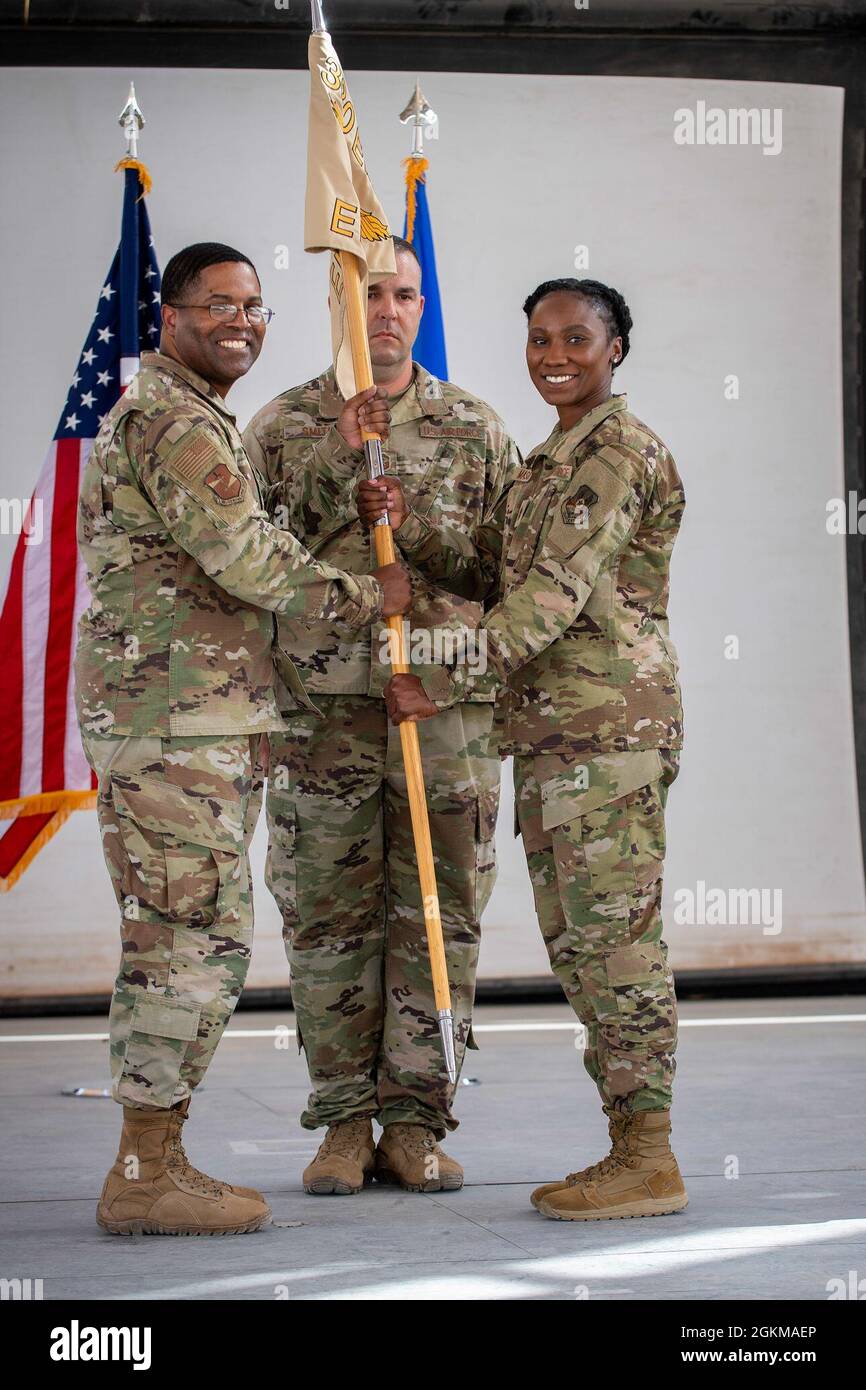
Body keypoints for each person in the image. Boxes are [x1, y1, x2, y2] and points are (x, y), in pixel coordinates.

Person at [76, 241, 410, 1236]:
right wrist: (365, 593)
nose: (243, 321)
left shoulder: (194, 417)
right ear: (168, 316)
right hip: (170, 726)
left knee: (187, 940)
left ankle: (154, 1158)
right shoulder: (173, 419)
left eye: (255, 305)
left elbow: (229, 558)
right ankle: (145, 1171)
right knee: (187, 944)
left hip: (194, 721)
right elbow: (245, 557)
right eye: (218, 303)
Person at [378, 277, 688, 1221]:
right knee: (583, 949)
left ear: (616, 348)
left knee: (617, 946)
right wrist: (403, 516)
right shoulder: (551, 456)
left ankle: (652, 1155)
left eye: (577, 339)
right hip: (556, 739)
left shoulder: (617, 454)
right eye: (540, 339)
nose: (555, 355)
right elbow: (491, 566)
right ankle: (628, 1144)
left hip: (607, 732)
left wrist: (438, 683)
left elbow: (544, 603)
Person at [243, 236, 521, 1195]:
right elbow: (243, 561)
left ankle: (416, 1120)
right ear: (340, 306)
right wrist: (336, 462)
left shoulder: (474, 429)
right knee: (326, 922)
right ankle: (340, 1124)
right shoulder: (281, 426)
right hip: (321, 720)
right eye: (371, 296)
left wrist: (446, 674)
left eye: (406, 294)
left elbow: (511, 587)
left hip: (441, 724)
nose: (391, 313)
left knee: (438, 922)